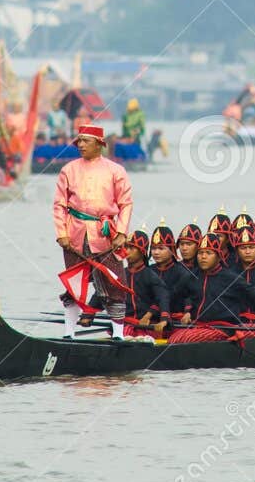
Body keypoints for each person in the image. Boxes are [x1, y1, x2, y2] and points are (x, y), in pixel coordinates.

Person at [51, 122, 134, 307]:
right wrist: (61, 234)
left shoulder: (116, 170)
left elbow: (126, 204)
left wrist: (121, 233)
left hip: (105, 233)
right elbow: (59, 205)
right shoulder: (68, 169)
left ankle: (118, 333)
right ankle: (69, 333)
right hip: (74, 233)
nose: (80, 145)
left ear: (98, 144)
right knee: (74, 283)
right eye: (79, 141)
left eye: (85, 141)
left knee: (114, 283)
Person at [179, 236, 255, 338]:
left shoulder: (230, 277)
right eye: (201, 253)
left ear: (218, 256)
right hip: (198, 326)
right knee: (175, 337)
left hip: (224, 328)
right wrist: (187, 311)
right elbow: (179, 294)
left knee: (185, 338)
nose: (203, 257)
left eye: (209, 253)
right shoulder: (193, 276)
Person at [119, 231, 169, 335]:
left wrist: (150, 316)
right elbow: (104, 293)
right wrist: (89, 313)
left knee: (126, 333)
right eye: (126, 247)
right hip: (124, 323)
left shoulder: (150, 275)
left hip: (147, 326)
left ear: (142, 251)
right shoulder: (120, 274)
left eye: (131, 248)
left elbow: (163, 297)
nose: (127, 251)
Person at [149, 224, 197, 320]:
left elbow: (188, 298)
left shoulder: (182, 273)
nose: (156, 252)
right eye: (153, 248)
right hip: (148, 320)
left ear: (172, 250)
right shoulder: (149, 271)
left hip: (175, 320)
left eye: (161, 248)